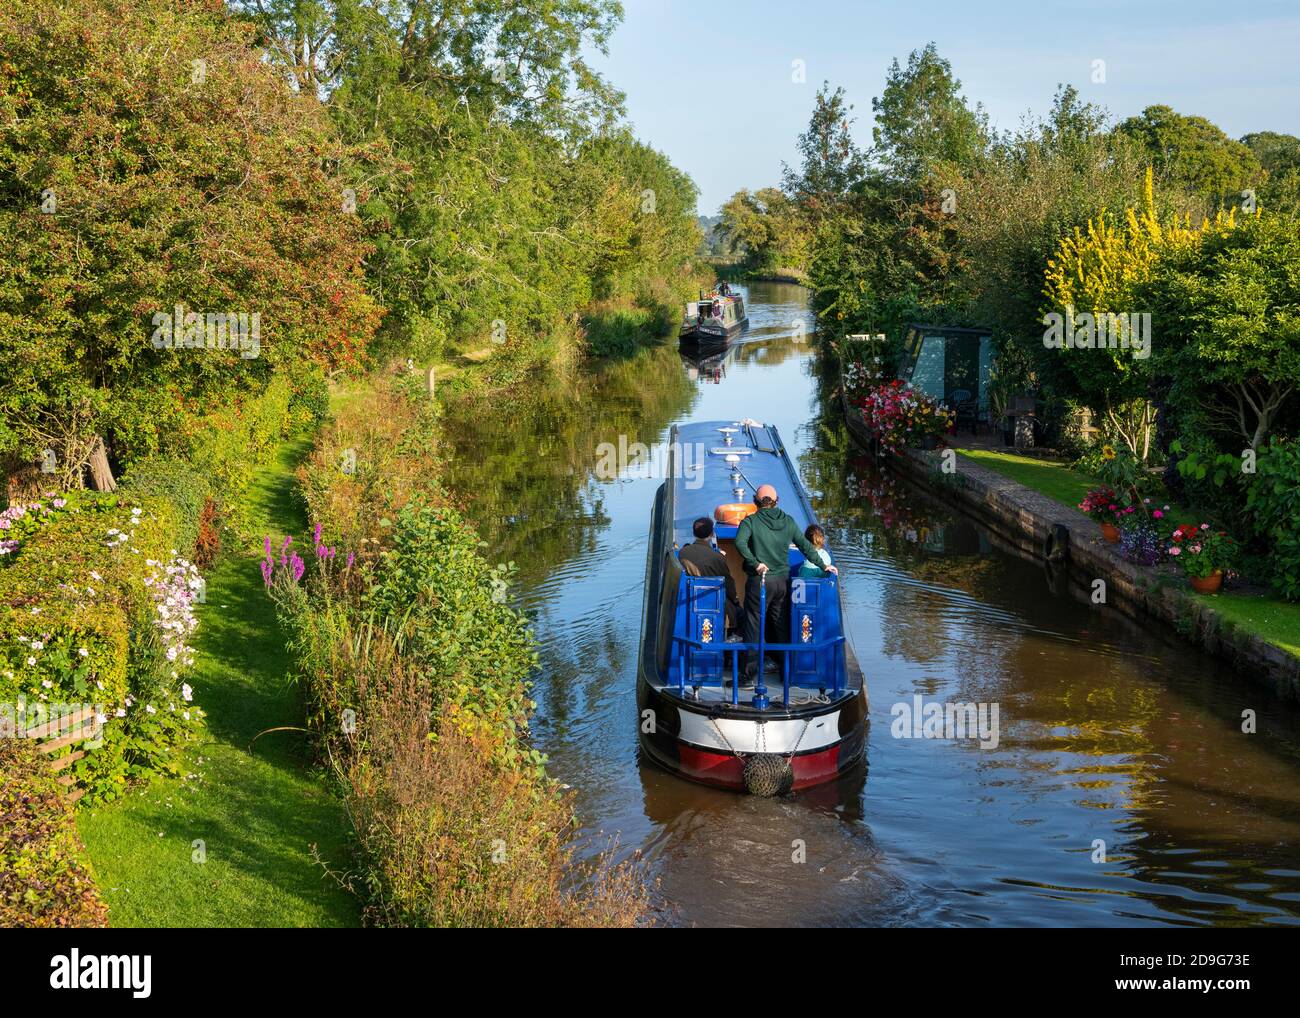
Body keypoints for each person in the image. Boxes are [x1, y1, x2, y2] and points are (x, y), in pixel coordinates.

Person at [734, 485, 837, 682]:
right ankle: (786, 672)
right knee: (780, 625)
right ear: (777, 501)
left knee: (753, 626)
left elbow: (739, 542)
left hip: (760, 581)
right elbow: (806, 546)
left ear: (756, 501)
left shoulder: (750, 522)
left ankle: (748, 676)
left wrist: (755, 563)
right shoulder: (788, 521)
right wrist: (824, 565)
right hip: (782, 582)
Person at [679, 516, 741, 629]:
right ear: (712, 533)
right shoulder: (717, 557)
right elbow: (728, 581)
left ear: (694, 533)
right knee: (735, 608)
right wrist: (735, 599)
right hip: (713, 600)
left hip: (690, 599)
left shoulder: (683, 553)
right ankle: (733, 632)